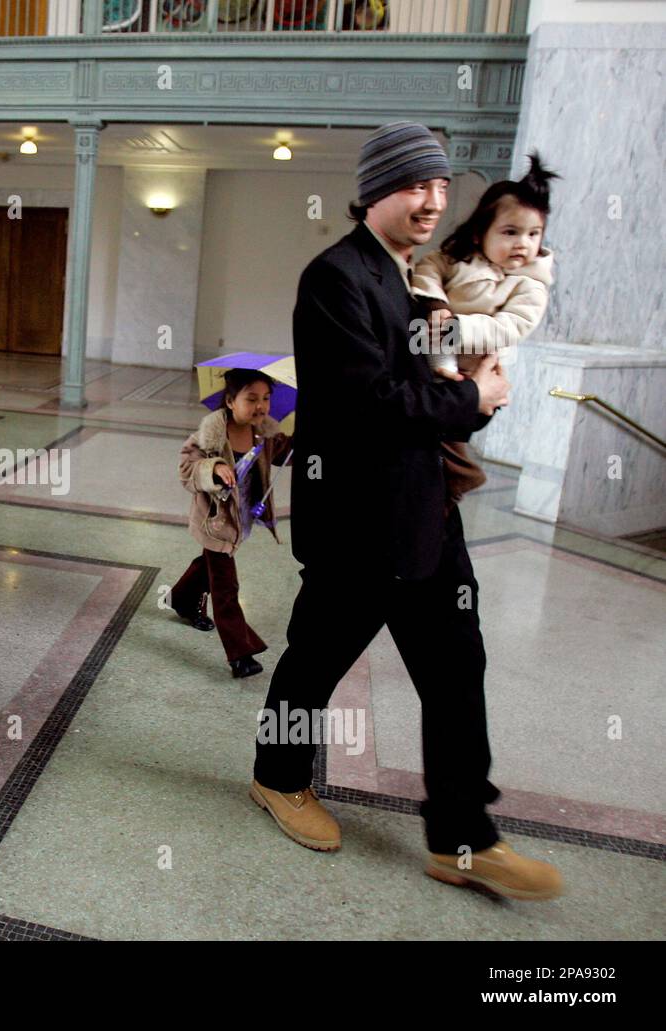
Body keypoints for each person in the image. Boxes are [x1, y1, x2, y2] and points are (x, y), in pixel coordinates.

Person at [249, 122, 562, 901]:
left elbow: (434, 392)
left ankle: (464, 837)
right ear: (375, 190)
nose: (430, 200)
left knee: (458, 671)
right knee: (314, 662)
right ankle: (277, 778)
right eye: (413, 185)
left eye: (440, 186)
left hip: (426, 516)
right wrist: (469, 395)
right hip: (358, 525)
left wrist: (478, 394)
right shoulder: (337, 278)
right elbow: (368, 404)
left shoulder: (419, 277)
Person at [412, 153, 558, 500]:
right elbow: (428, 268)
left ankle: (459, 477)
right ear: (480, 234)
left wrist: (456, 327)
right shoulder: (456, 259)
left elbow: (511, 326)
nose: (522, 243)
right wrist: (436, 304)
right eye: (510, 232)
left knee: (448, 429)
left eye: (533, 234)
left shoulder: (529, 284)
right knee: (425, 427)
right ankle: (444, 481)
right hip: (433, 355)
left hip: (475, 368)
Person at [173, 369, 292, 679]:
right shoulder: (211, 435)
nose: (260, 406)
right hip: (215, 520)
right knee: (225, 585)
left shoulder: (263, 433)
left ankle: (182, 599)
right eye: (251, 399)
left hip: (241, 518)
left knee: (209, 565)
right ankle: (241, 653)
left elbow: (285, 454)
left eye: (265, 399)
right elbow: (187, 468)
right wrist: (214, 468)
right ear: (230, 400)